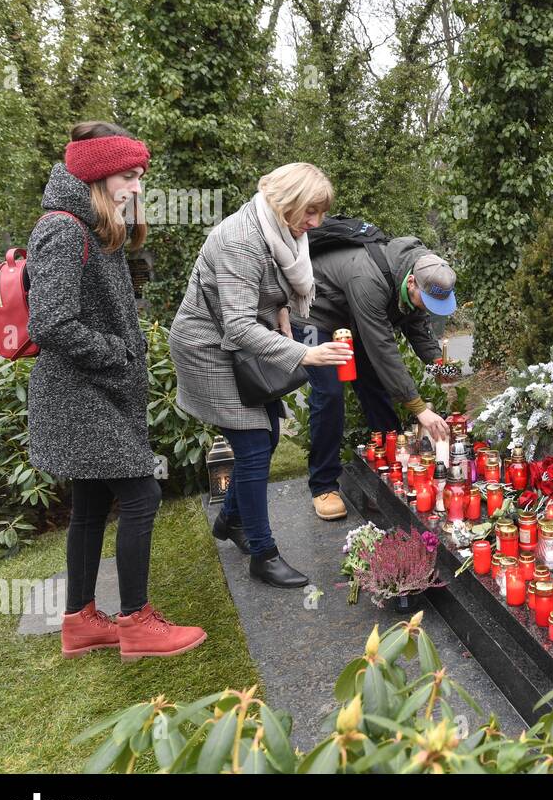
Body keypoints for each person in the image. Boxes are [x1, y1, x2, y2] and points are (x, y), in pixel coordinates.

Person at [27, 120, 207, 660]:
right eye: (128, 175)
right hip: (82, 393)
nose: (137, 186)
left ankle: (80, 621)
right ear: (99, 175)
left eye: (140, 175)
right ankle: (135, 621)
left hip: (93, 390)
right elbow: (51, 322)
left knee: (89, 502)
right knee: (141, 494)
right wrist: (119, 355)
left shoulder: (94, 228)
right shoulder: (64, 229)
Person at [169, 163, 350, 587]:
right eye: (310, 211)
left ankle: (230, 519)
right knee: (252, 447)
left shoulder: (281, 232)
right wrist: (303, 354)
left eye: (321, 212)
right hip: (209, 350)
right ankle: (263, 554)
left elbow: (272, 289)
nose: (316, 223)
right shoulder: (241, 241)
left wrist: (285, 316)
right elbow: (237, 326)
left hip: (239, 348)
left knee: (267, 437)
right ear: (285, 202)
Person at [291, 222, 456, 520]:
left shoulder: (416, 273)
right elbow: (382, 350)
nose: (429, 309)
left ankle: (393, 458)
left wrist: (439, 365)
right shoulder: (369, 278)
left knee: (375, 384)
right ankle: (323, 485)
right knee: (329, 391)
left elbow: (417, 328)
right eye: (427, 302)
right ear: (411, 284)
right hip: (315, 315)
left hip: (355, 316)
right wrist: (420, 409)